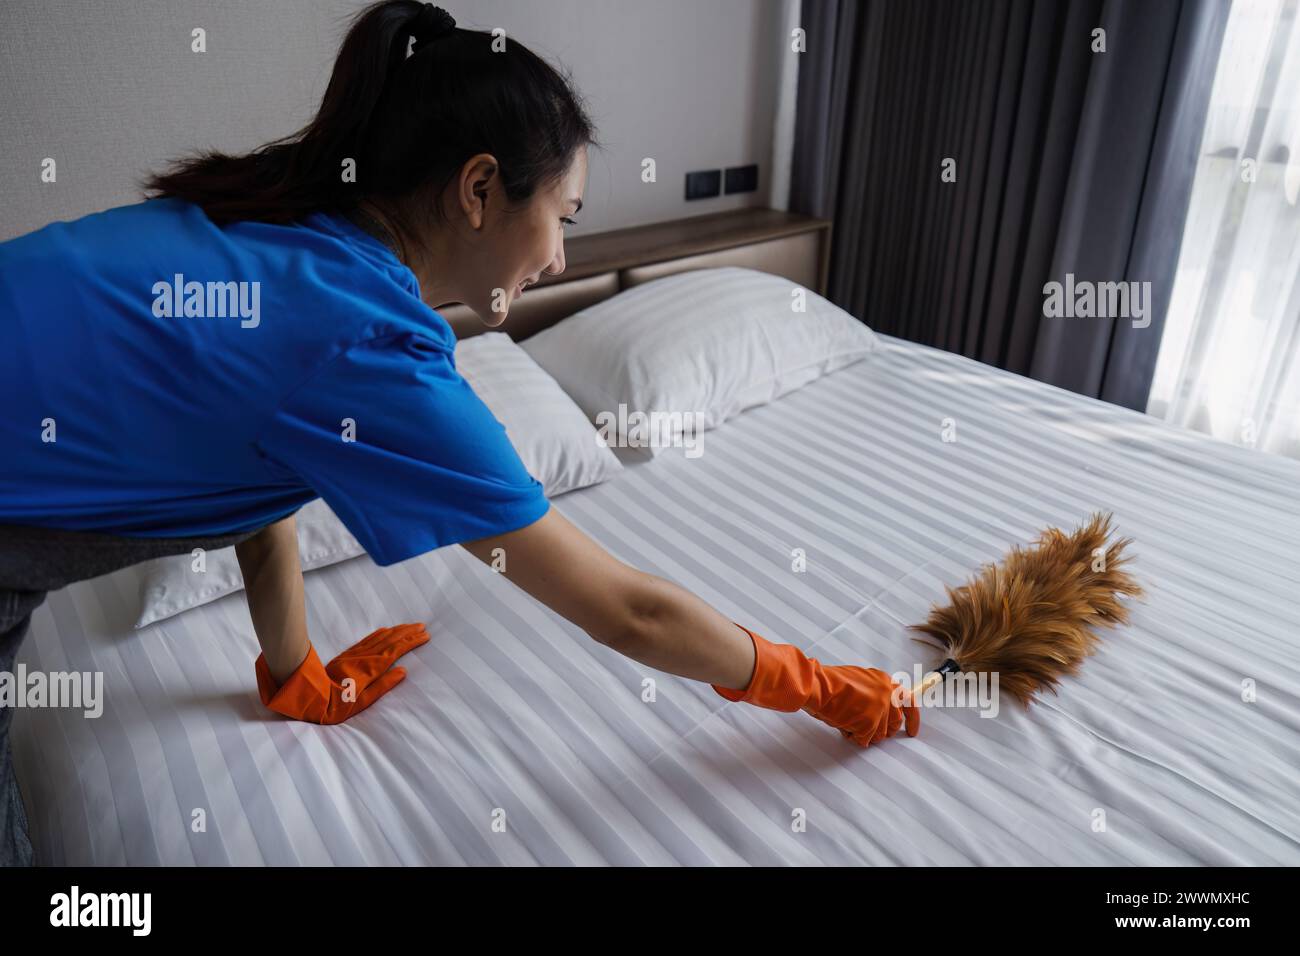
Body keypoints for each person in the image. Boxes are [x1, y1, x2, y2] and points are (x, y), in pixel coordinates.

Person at [0, 1, 918, 867]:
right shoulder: (367, 344)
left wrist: (294, 675)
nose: (560, 256)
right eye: (561, 218)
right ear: (480, 189)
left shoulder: (287, 226)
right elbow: (626, 611)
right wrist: (821, 686)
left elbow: (261, 464)